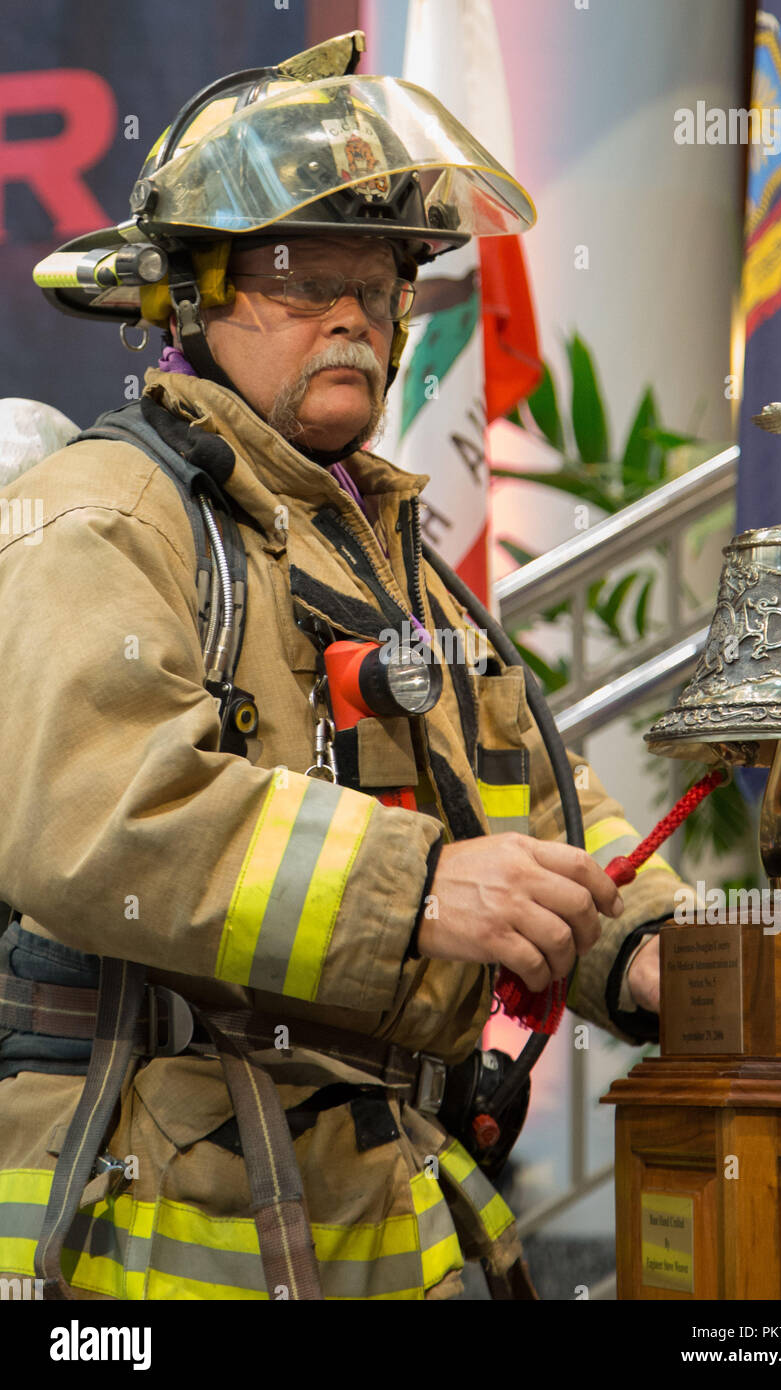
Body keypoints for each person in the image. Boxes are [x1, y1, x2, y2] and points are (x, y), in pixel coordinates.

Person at [0, 32, 675, 1301]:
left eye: (380, 285)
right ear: (189, 298)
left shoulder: (377, 548)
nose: (355, 317)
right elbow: (92, 815)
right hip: (144, 1232)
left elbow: (523, 804)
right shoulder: (102, 514)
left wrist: (646, 946)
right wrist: (416, 891)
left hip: (371, 1217)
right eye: (303, 277)